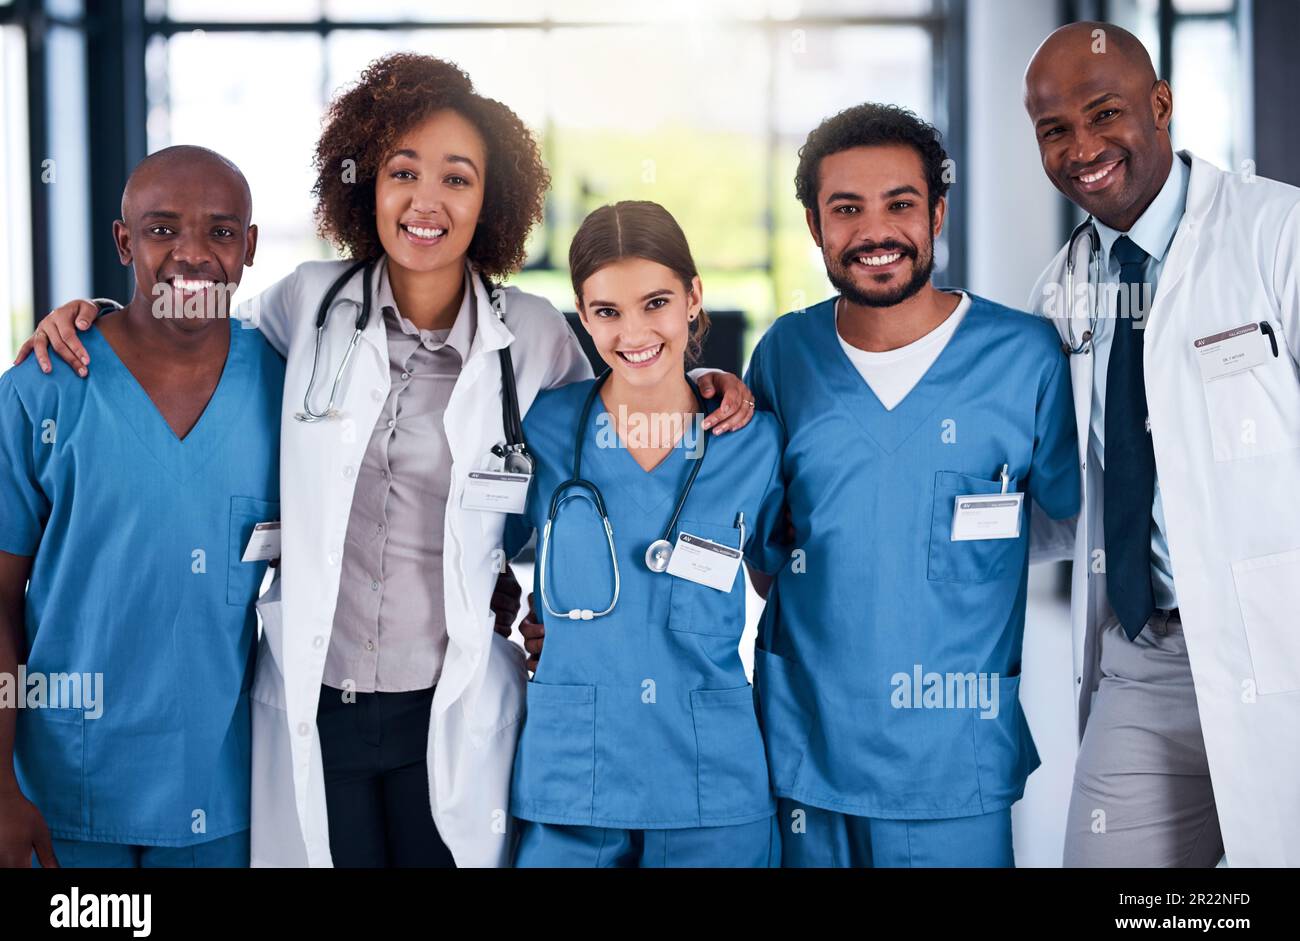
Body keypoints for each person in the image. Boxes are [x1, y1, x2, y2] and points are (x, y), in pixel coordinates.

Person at [18, 54, 756, 868]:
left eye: (458, 178)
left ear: (492, 199)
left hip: (451, 702)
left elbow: (609, 441)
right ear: (368, 184)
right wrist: (95, 314)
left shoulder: (535, 334)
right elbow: (189, 327)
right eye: (403, 171)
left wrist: (703, 377)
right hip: (316, 703)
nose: (426, 201)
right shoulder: (308, 301)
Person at [744, 104, 1079, 867]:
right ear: (814, 224)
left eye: (900, 203)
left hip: (951, 768)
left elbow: (1066, 519)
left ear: (937, 211)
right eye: (846, 208)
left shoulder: (1023, 357)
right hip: (804, 757)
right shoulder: (786, 356)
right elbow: (765, 554)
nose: (876, 231)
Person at [1024, 22, 1300, 867]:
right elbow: (1071, 498)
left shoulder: (1276, 233)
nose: (1083, 148)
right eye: (1054, 129)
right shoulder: (1060, 295)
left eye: (1104, 113)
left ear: (1161, 105)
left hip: (1282, 641)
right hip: (1145, 659)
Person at [0, 146, 282, 867]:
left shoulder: (290, 395)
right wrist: (0, 786)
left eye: (221, 232)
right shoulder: (42, 390)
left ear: (249, 248)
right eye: (162, 230)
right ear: (124, 242)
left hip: (222, 800)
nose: (192, 254)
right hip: (62, 796)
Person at [503, 201, 786, 867]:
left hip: (711, 784)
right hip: (572, 781)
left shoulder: (752, 442)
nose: (633, 331)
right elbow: (473, 556)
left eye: (655, 302)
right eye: (606, 311)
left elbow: (784, 584)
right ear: (581, 311)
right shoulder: (543, 428)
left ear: (693, 297)